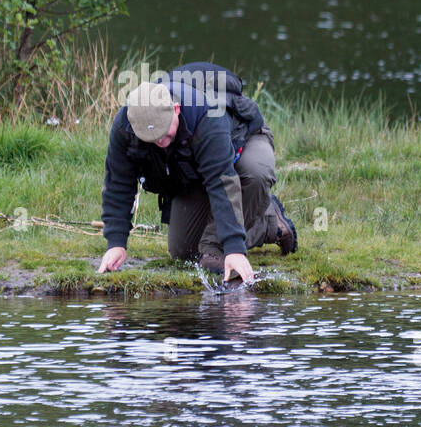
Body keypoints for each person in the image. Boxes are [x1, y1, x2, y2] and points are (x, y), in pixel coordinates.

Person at [97, 62, 297, 283]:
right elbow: (118, 183)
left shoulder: (207, 116)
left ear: (175, 109)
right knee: (183, 253)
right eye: (152, 139)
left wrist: (233, 248)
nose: (161, 142)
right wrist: (116, 243)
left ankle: (249, 223)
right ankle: (269, 224)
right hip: (193, 169)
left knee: (254, 174)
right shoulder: (125, 125)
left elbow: (221, 182)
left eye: (165, 133)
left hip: (244, 141)